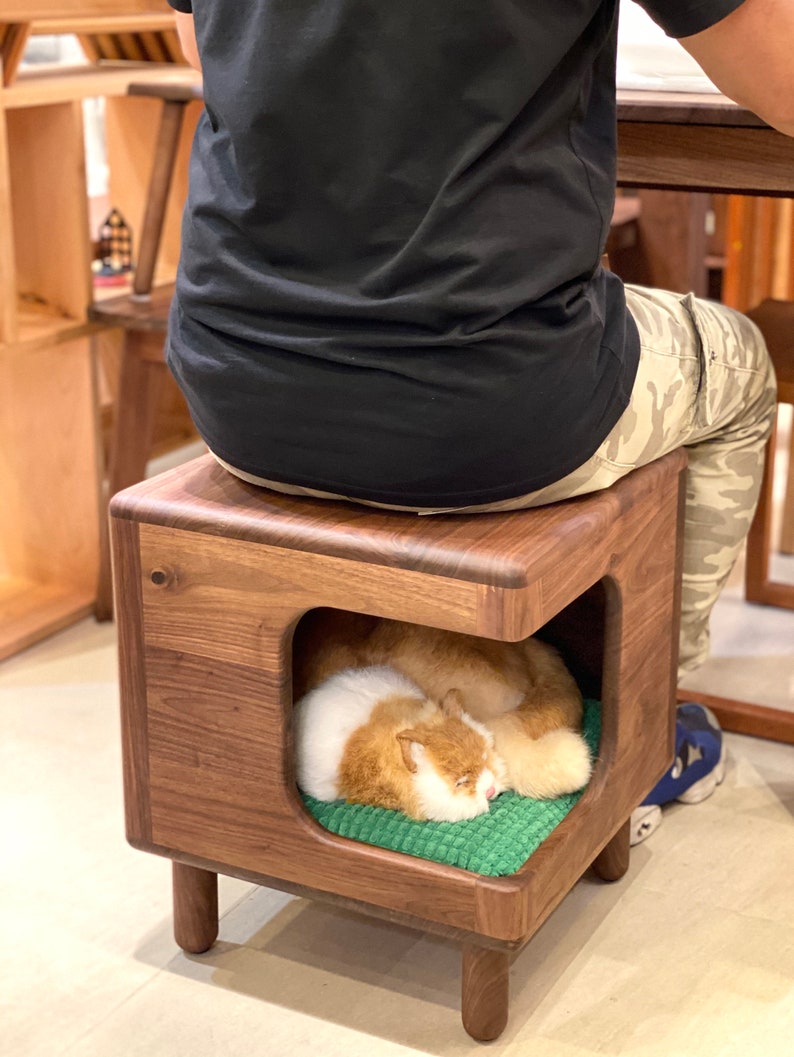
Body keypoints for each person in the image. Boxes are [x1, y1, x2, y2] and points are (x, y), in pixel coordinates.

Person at [164, 1, 788, 841]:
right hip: (488, 405)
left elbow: (207, 48)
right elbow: (777, 73)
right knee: (741, 359)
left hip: (236, 383)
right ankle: (648, 734)